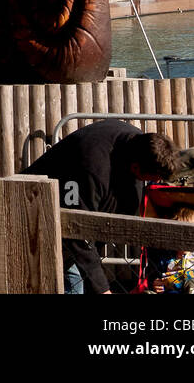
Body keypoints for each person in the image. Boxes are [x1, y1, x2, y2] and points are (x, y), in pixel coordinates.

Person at [22, 119, 180, 294]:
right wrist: (102, 288)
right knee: (72, 284)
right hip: (33, 220)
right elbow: (74, 228)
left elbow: (128, 207)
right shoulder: (91, 164)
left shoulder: (136, 142)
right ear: (136, 168)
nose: (154, 183)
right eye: (151, 178)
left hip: (69, 228)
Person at [148, 207, 194, 293]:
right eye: (178, 234)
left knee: (193, 283)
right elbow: (154, 278)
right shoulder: (165, 258)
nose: (183, 239)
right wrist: (156, 285)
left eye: (190, 234)